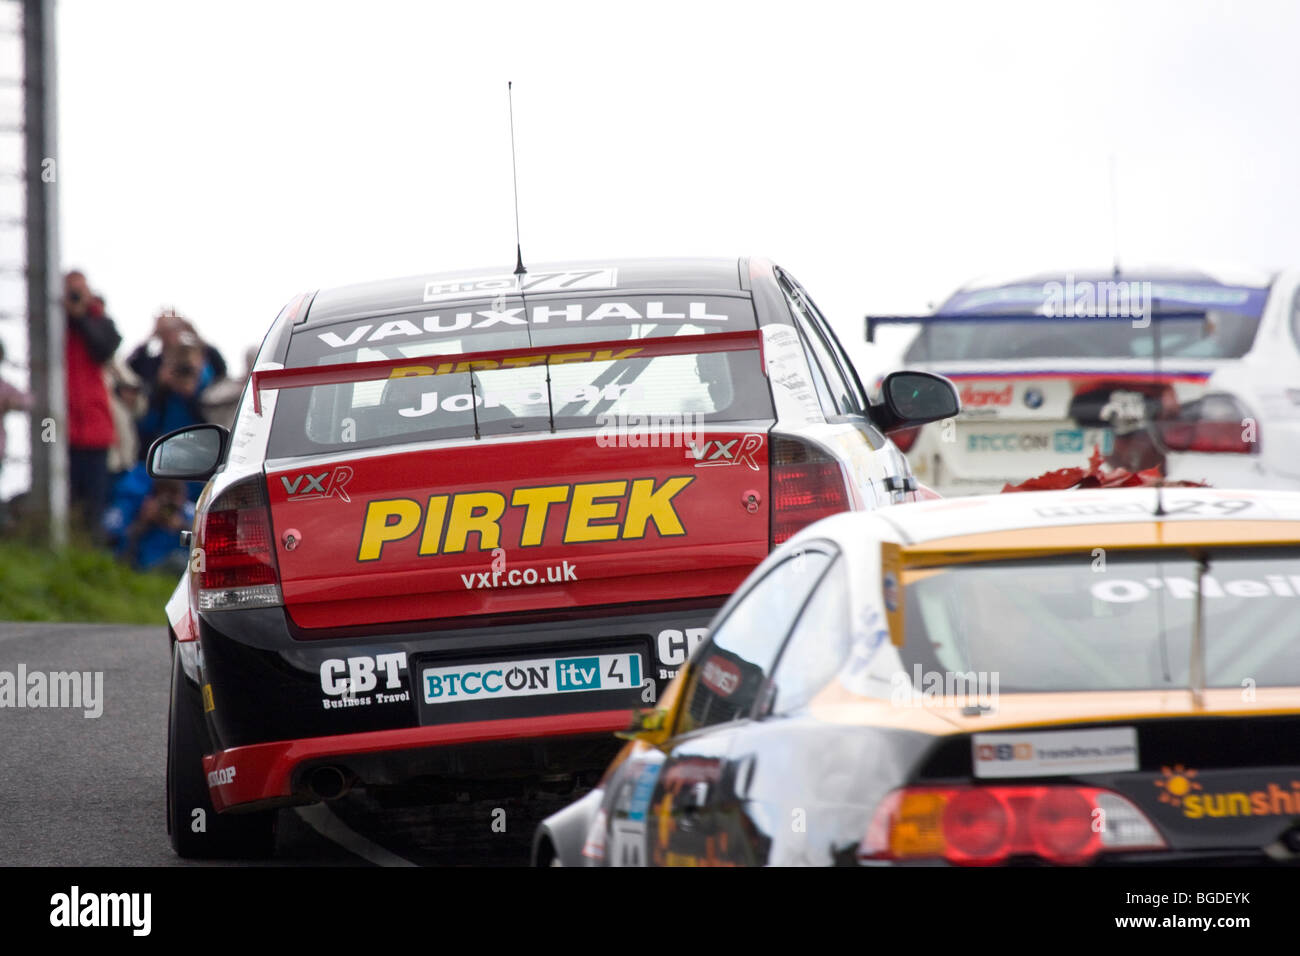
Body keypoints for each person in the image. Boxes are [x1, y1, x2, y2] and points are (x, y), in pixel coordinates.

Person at [64, 270, 120, 540]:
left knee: (94, 506)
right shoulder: (54, 325)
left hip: (96, 430)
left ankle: (90, 557)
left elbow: (103, 349)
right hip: (58, 430)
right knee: (66, 498)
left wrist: (82, 316)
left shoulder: (101, 324)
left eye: (80, 291)